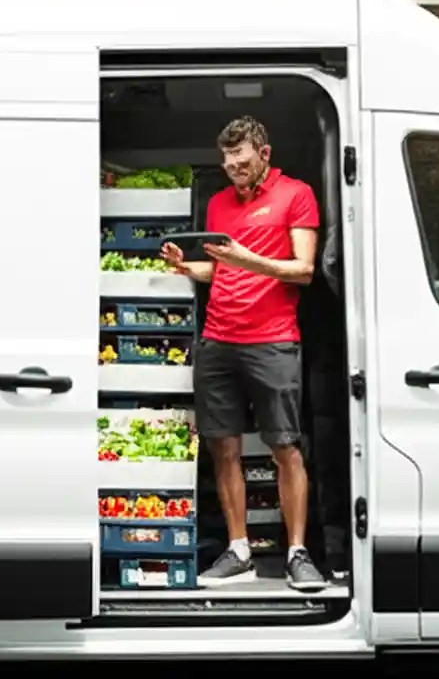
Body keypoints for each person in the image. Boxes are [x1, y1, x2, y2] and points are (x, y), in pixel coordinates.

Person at [160, 115, 327, 592]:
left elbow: (304, 270)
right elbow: (222, 270)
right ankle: (239, 552)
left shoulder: (296, 194)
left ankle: (297, 553)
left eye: (242, 157)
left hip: (272, 340)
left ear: (264, 154)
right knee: (223, 447)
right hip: (218, 339)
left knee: (285, 447)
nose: (234, 166)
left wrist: (245, 258)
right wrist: (187, 268)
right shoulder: (218, 204)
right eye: (228, 159)